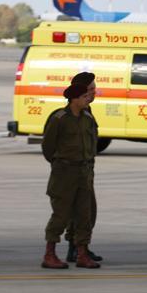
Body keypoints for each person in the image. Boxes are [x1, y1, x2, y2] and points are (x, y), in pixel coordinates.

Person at [40, 83, 100, 269]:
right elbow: (48, 147)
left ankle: (82, 253)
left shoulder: (87, 118)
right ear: (74, 98)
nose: (88, 99)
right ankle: (50, 254)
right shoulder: (60, 119)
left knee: (84, 215)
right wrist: (61, 164)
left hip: (84, 173)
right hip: (65, 173)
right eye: (84, 96)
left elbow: (92, 145)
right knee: (61, 215)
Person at [54, 72, 103, 264]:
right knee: (74, 213)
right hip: (70, 171)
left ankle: (82, 248)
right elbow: (49, 147)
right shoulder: (65, 116)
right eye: (91, 89)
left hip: (86, 170)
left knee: (88, 211)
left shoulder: (87, 112)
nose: (94, 92)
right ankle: (74, 249)